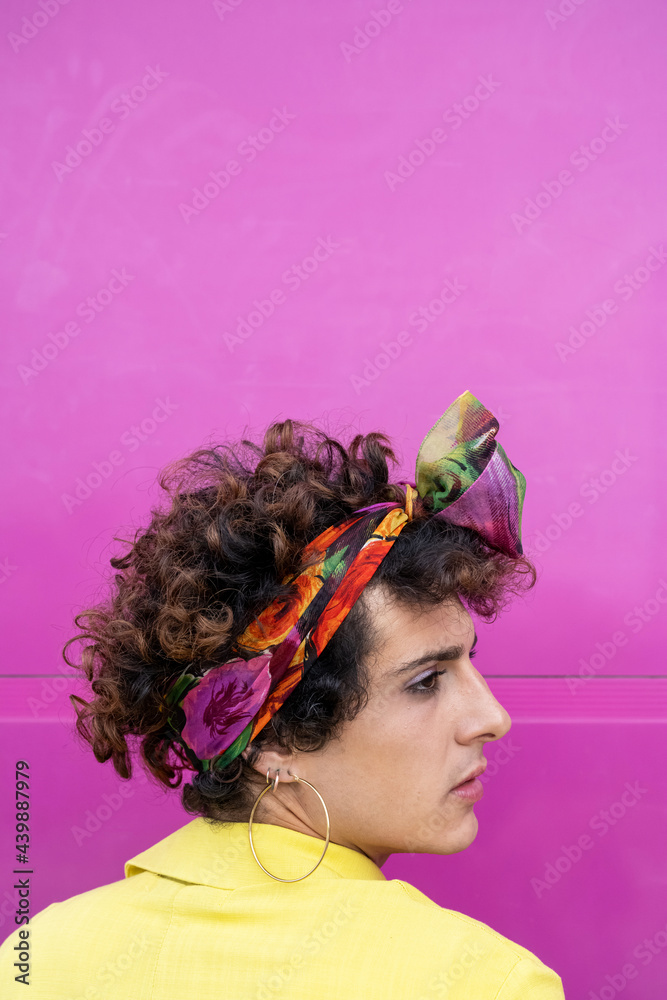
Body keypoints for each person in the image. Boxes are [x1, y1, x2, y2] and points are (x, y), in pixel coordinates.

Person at [0, 389, 566, 998]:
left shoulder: (35, 960)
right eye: (426, 681)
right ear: (274, 742)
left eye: (467, 662)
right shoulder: (483, 981)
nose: (492, 718)